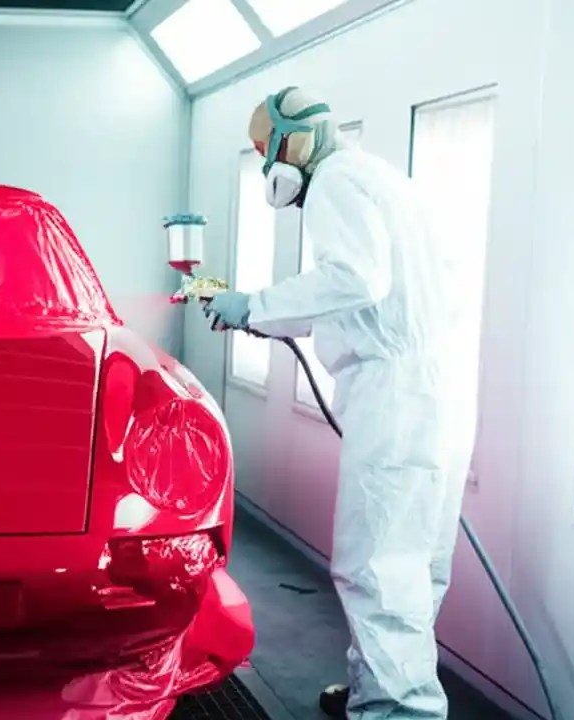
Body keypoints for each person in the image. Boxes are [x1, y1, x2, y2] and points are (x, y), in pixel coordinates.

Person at [202, 87, 480, 719]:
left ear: (289, 145)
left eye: (263, 149)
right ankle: (377, 690)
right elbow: (366, 297)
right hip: (442, 389)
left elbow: (355, 279)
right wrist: (260, 313)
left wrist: (256, 305)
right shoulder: (384, 180)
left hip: (396, 397)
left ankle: (395, 712)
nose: (266, 163)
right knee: (415, 565)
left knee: (375, 567)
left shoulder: (332, 181)